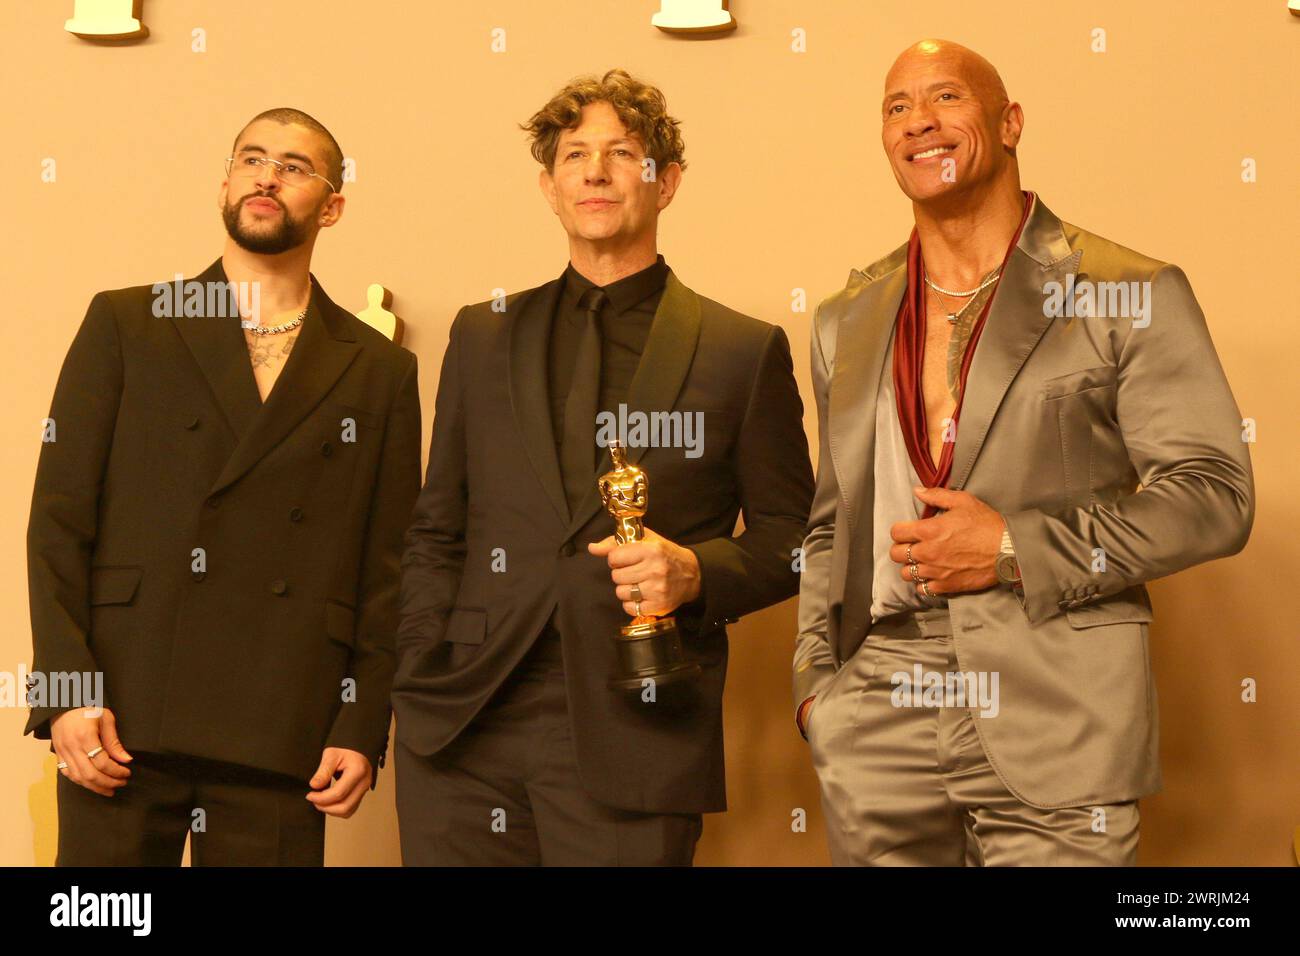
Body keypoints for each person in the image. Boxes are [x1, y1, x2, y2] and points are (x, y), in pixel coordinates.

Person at [793, 40, 1254, 866]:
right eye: (896, 107)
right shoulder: (844, 317)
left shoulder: (1128, 289)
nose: (919, 123)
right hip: (879, 706)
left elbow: (1214, 494)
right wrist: (818, 689)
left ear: (1009, 122)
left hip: (1058, 699)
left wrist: (1010, 546)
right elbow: (831, 524)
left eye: (944, 98)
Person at [394, 69, 814, 866]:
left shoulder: (742, 350)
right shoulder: (481, 335)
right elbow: (436, 527)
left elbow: (797, 537)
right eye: (575, 154)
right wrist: (419, 669)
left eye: (622, 153)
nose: (595, 171)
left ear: (668, 182)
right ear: (549, 186)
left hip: (639, 722)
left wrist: (694, 572)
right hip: (461, 725)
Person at [26, 107, 421, 865]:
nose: (269, 176)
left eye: (296, 166)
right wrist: (67, 691)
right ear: (226, 183)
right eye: (252, 159)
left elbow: (389, 568)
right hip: (121, 714)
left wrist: (361, 724)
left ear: (332, 205)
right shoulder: (128, 323)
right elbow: (59, 523)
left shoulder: (378, 369)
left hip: (284, 725)